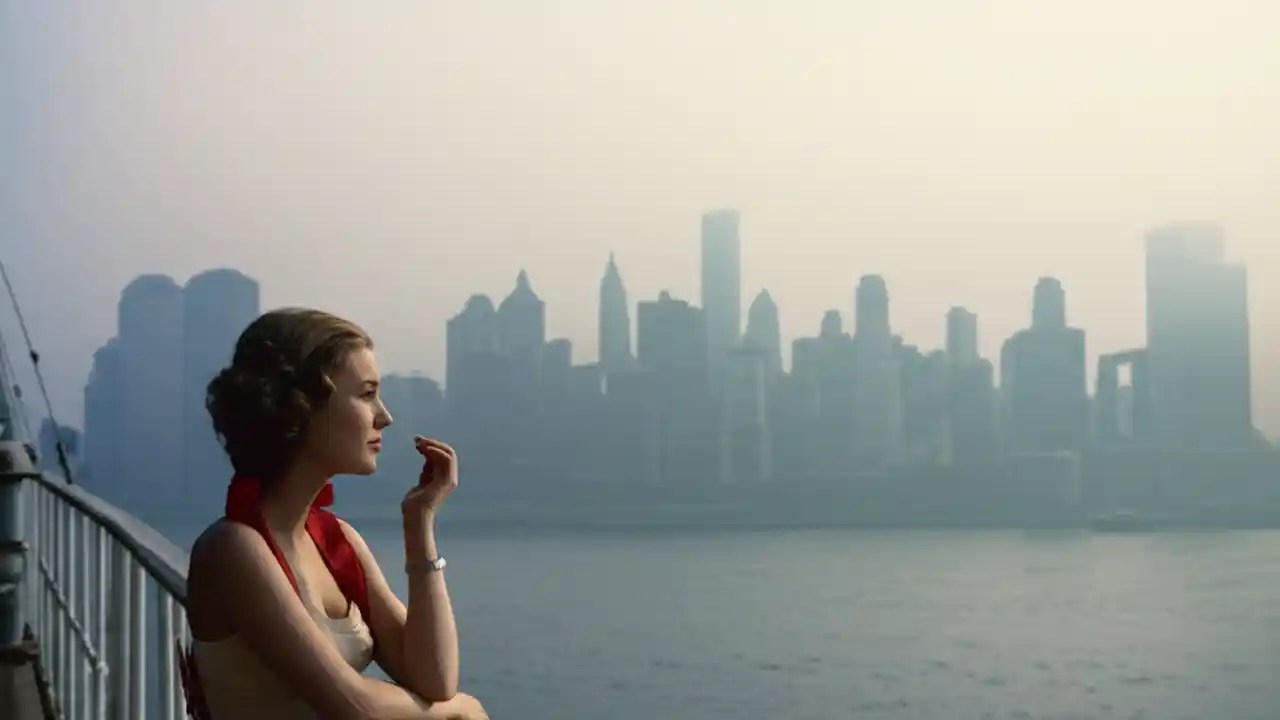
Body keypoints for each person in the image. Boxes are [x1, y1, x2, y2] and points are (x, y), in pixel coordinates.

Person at [183, 307, 488, 720]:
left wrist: (419, 523)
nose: (385, 416)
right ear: (303, 406)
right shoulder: (234, 550)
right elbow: (354, 707)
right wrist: (464, 710)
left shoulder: (336, 541)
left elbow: (434, 678)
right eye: (366, 394)